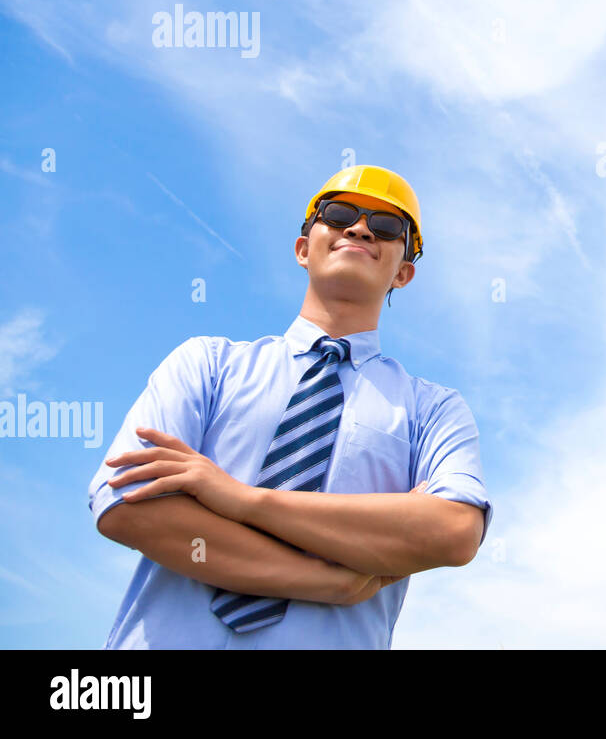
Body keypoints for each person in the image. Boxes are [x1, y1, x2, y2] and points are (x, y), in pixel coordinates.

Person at [88, 164, 492, 649]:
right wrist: (327, 581)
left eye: (387, 226)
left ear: (402, 273)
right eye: (339, 214)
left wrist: (241, 499)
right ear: (304, 248)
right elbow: (126, 505)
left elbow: (453, 531)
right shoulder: (208, 365)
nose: (360, 228)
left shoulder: (432, 409)